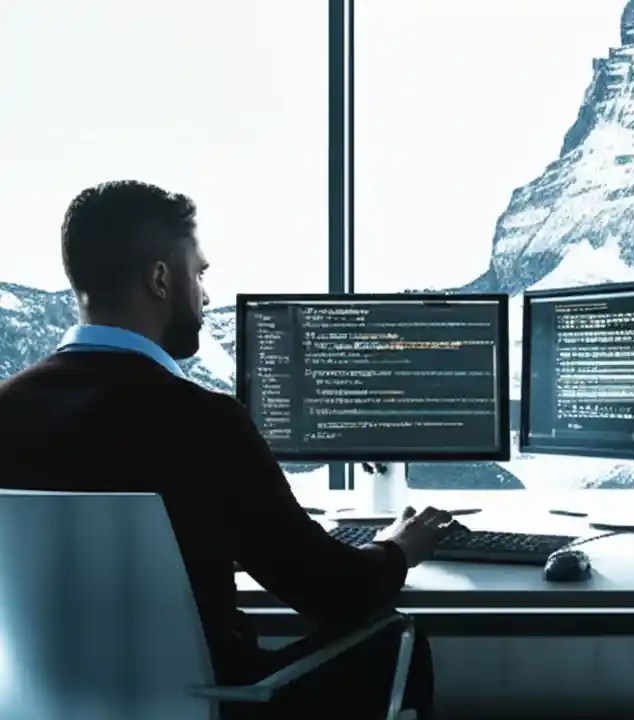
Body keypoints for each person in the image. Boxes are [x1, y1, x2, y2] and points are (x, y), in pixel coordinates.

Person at [0, 180, 449, 719]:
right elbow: (333, 593)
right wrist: (398, 549)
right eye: (200, 272)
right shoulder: (202, 421)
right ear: (162, 279)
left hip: (38, 707)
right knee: (396, 639)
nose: (207, 295)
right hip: (216, 705)